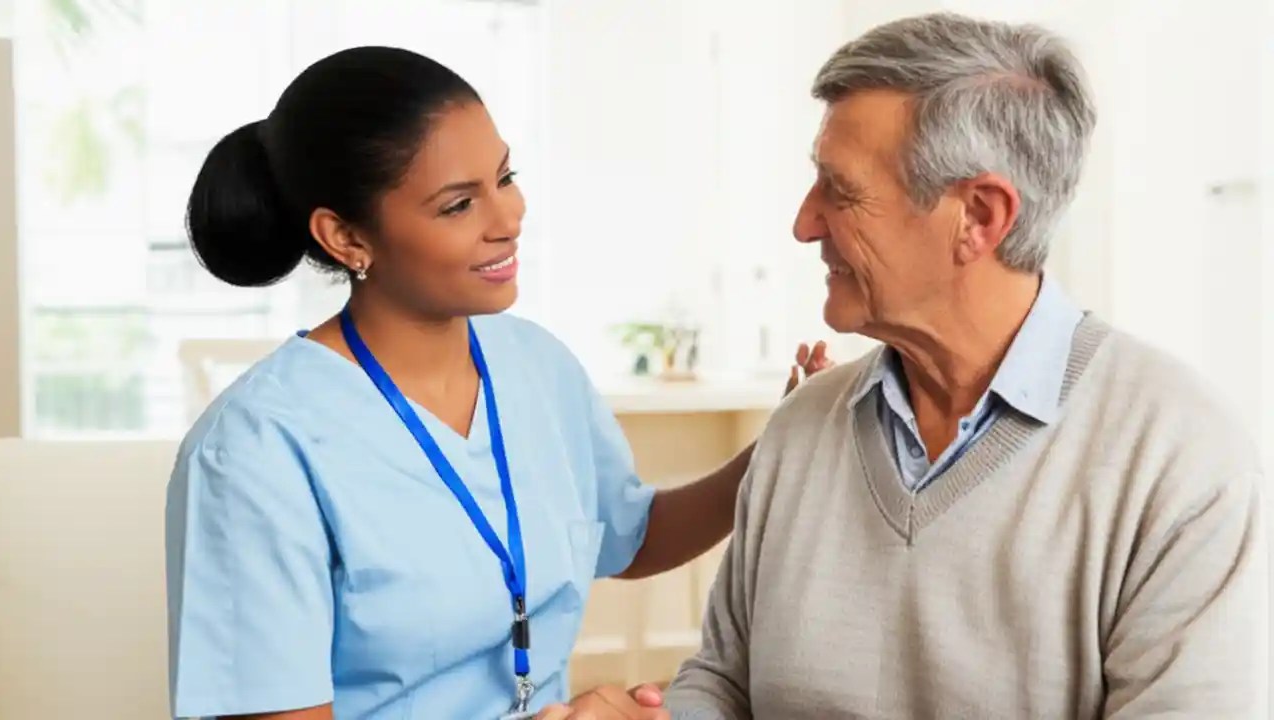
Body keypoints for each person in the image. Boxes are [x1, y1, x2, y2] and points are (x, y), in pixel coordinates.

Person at [163, 47, 830, 720]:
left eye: (505, 177)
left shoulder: (536, 366)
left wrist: (777, 451)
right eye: (458, 205)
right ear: (344, 236)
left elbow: (628, 535)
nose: (508, 219)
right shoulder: (253, 451)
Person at [663, 12, 1267, 720]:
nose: (804, 223)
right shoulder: (802, 429)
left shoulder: (1180, 454)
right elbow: (722, 681)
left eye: (842, 190)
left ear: (979, 216)